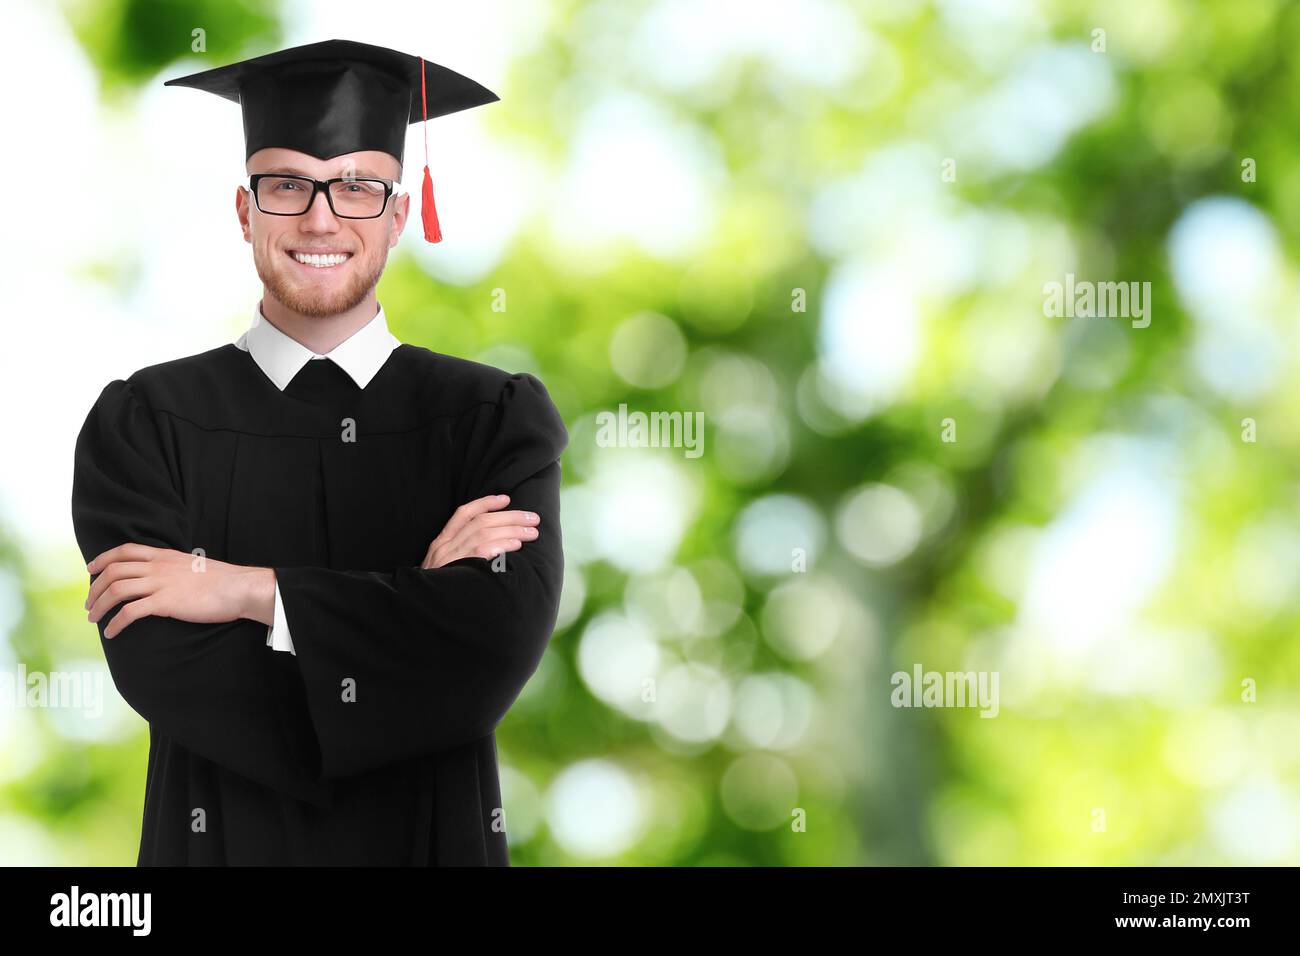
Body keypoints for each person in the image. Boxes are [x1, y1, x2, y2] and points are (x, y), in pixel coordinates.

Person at [70, 39, 568, 865]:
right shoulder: (146, 422)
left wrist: (244, 592)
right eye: (288, 184)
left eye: (360, 187)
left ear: (399, 215)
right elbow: (164, 669)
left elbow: (488, 653)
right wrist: (419, 611)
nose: (322, 217)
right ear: (245, 211)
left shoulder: (491, 420)